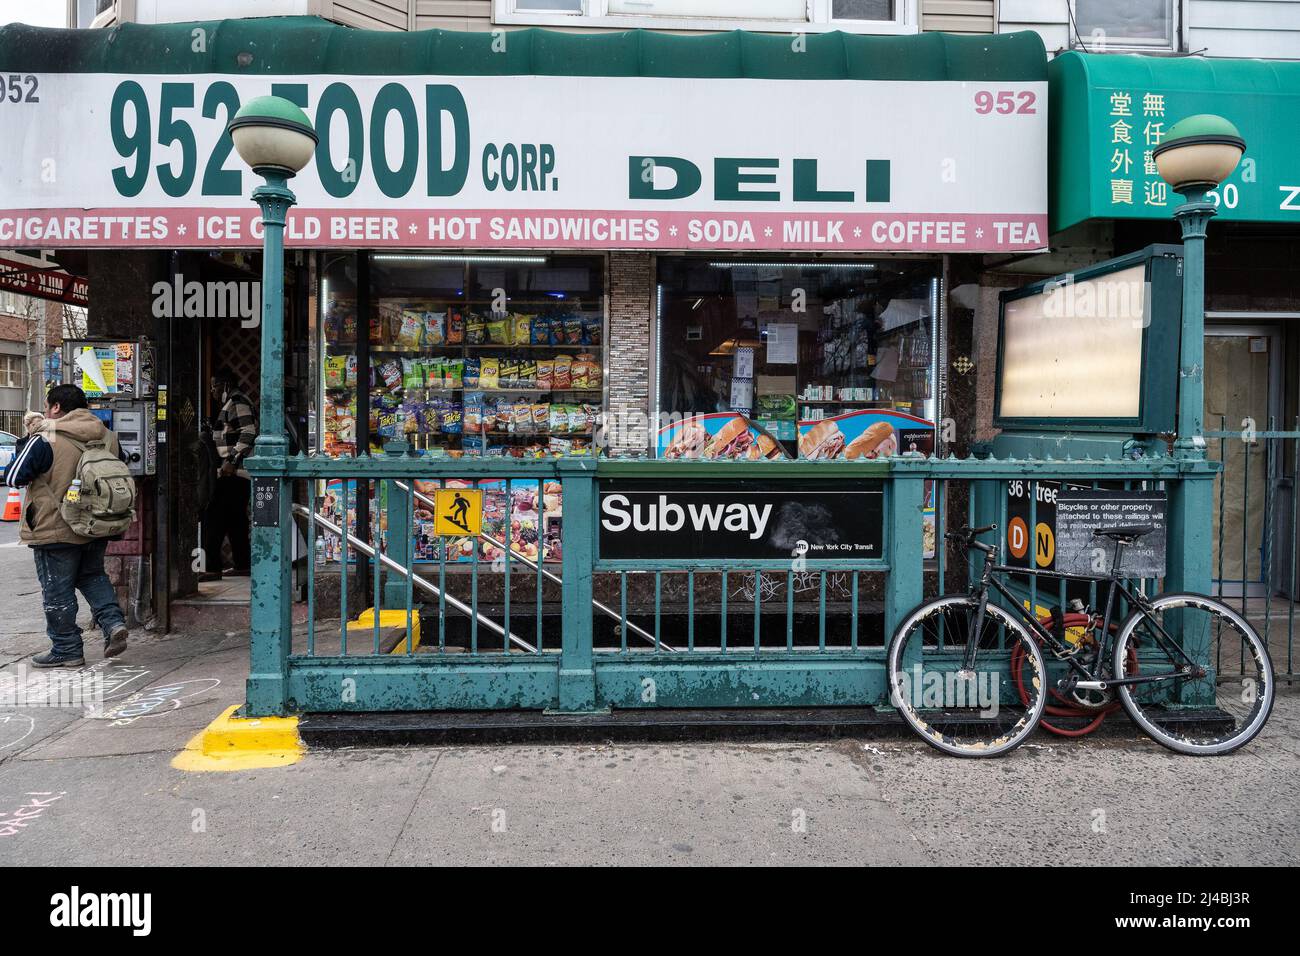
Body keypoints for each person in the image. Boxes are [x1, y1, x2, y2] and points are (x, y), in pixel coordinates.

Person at [2, 385, 129, 667]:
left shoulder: (45, 437)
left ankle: (66, 648)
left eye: (48, 406)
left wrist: (29, 437)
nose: (46, 411)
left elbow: (13, 477)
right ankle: (112, 623)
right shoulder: (107, 436)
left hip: (54, 527)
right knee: (92, 576)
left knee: (56, 589)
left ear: (57, 407)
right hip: (96, 524)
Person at [200, 367, 257, 580]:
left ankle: (212, 567)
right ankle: (243, 564)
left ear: (224, 384)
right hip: (235, 473)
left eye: (214, 386)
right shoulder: (231, 403)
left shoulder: (237, 402)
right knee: (236, 522)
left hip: (233, 473)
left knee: (213, 517)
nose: (212, 391)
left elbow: (249, 431)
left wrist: (232, 459)